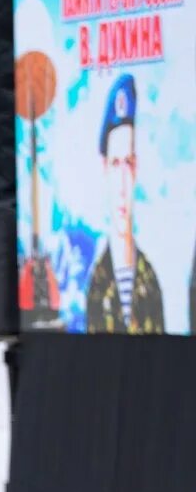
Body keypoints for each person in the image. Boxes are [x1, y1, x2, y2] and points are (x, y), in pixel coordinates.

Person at [85, 73, 164, 334]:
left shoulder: (150, 280)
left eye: (128, 163)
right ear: (104, 168)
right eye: (115, 163)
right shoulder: (95, 282)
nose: (122, 182)